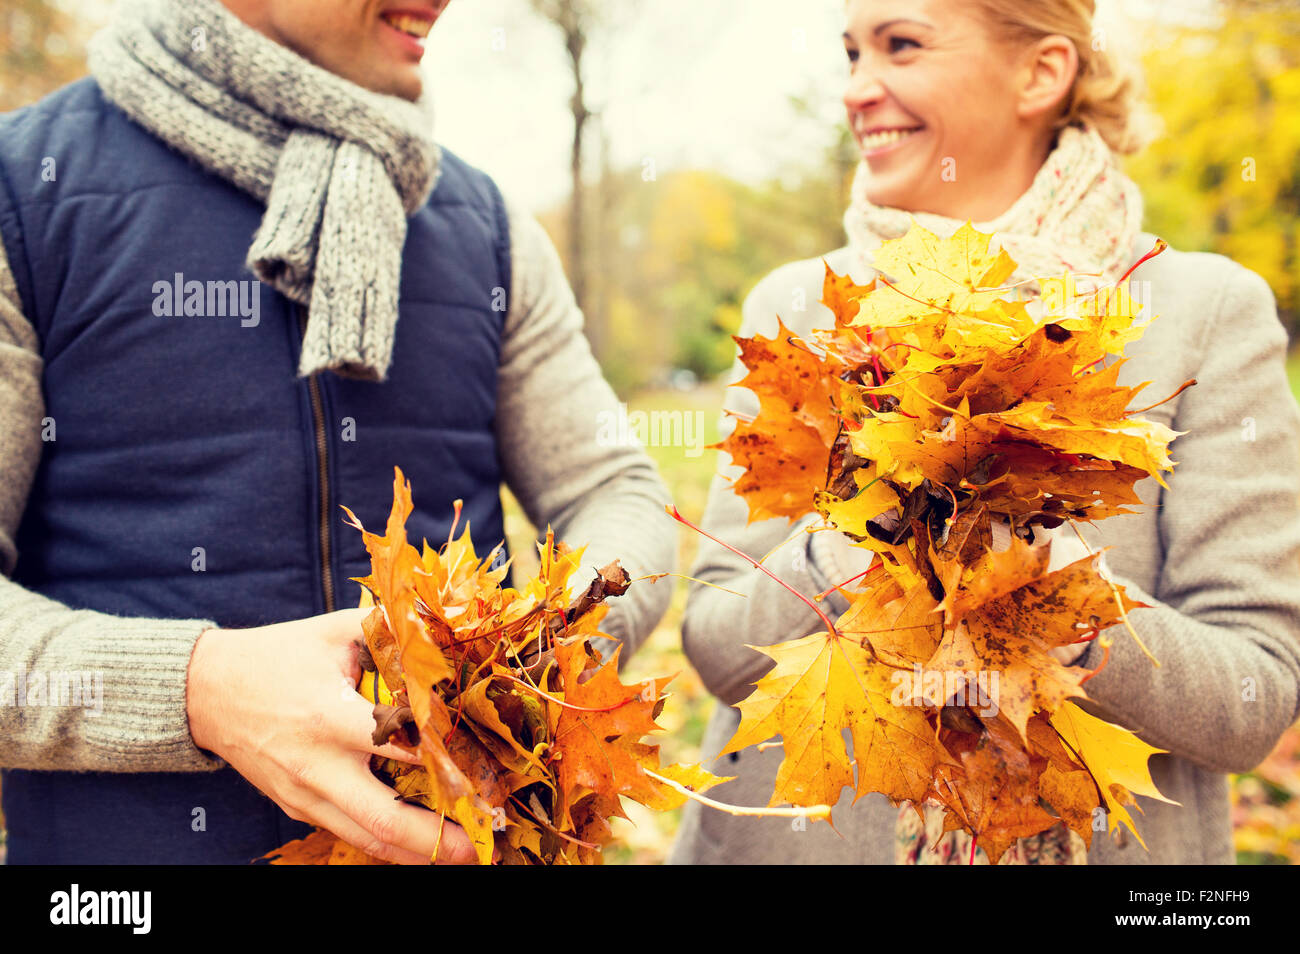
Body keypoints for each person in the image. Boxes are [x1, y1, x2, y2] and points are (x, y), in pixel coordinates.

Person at [0, 0, 675, 865]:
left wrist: (540, 641)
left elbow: (612, 486)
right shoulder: (25, 195)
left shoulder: (489, 227)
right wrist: (198, 691)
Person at [670, 0, 1300, 865]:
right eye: (851, 52)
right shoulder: (800, 311)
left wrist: (1044, 592)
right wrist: (854, 546)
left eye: (901, 46)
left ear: (1041, 72)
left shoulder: (1200, 313)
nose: (859, 88)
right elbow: (714, 645)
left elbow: (1255, 699)